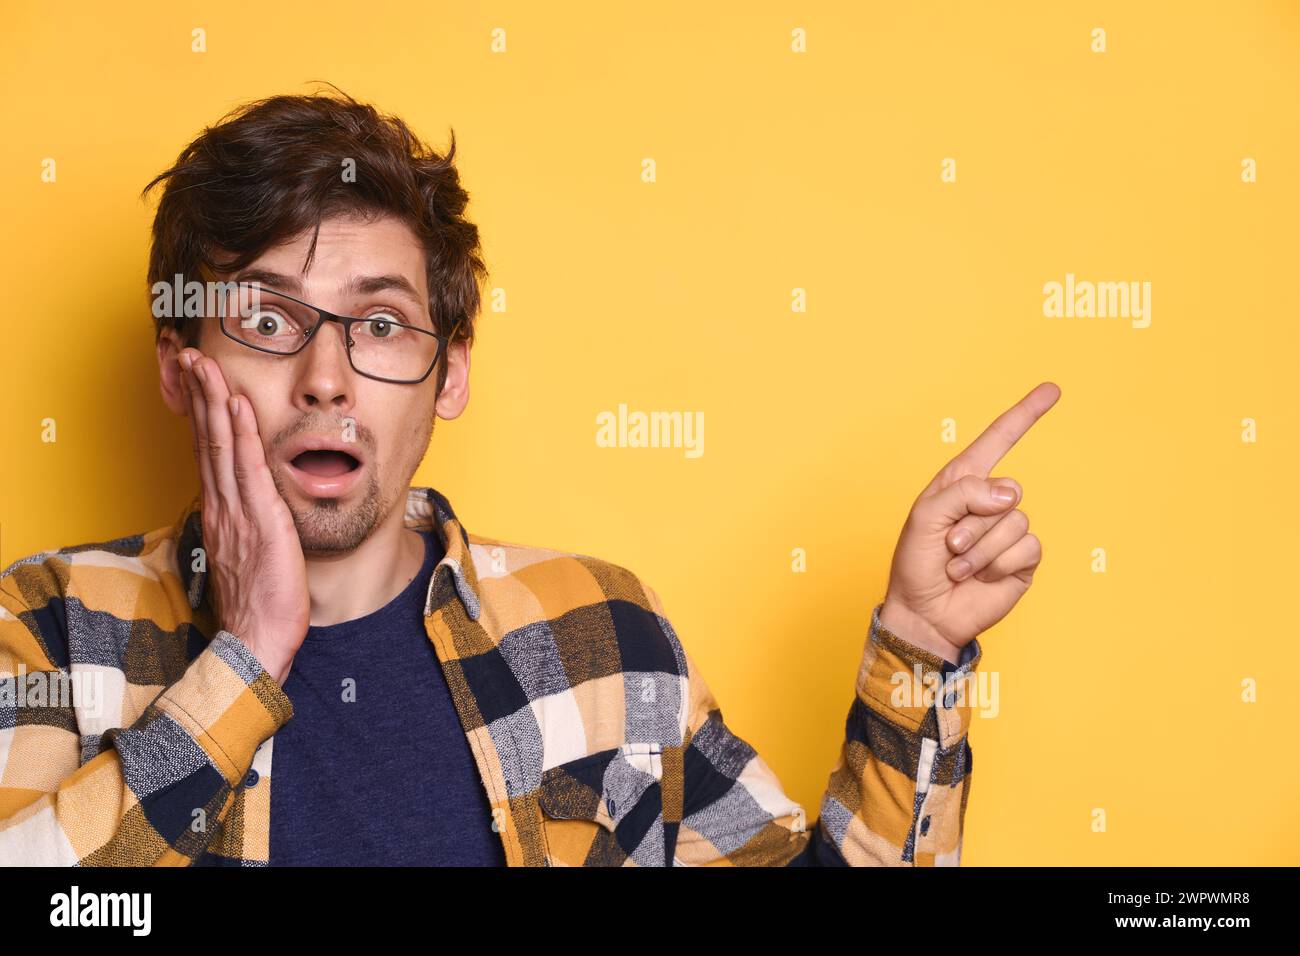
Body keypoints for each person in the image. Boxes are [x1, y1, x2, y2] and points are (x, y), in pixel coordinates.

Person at [0, 88, 1058, 866]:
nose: (325, 379)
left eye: (378, 323)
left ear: (448, 372)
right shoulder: (44, 628)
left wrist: (918, 644)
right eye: (267, 320)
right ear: (180, 367)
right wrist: (242, 664)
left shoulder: (597, 633)